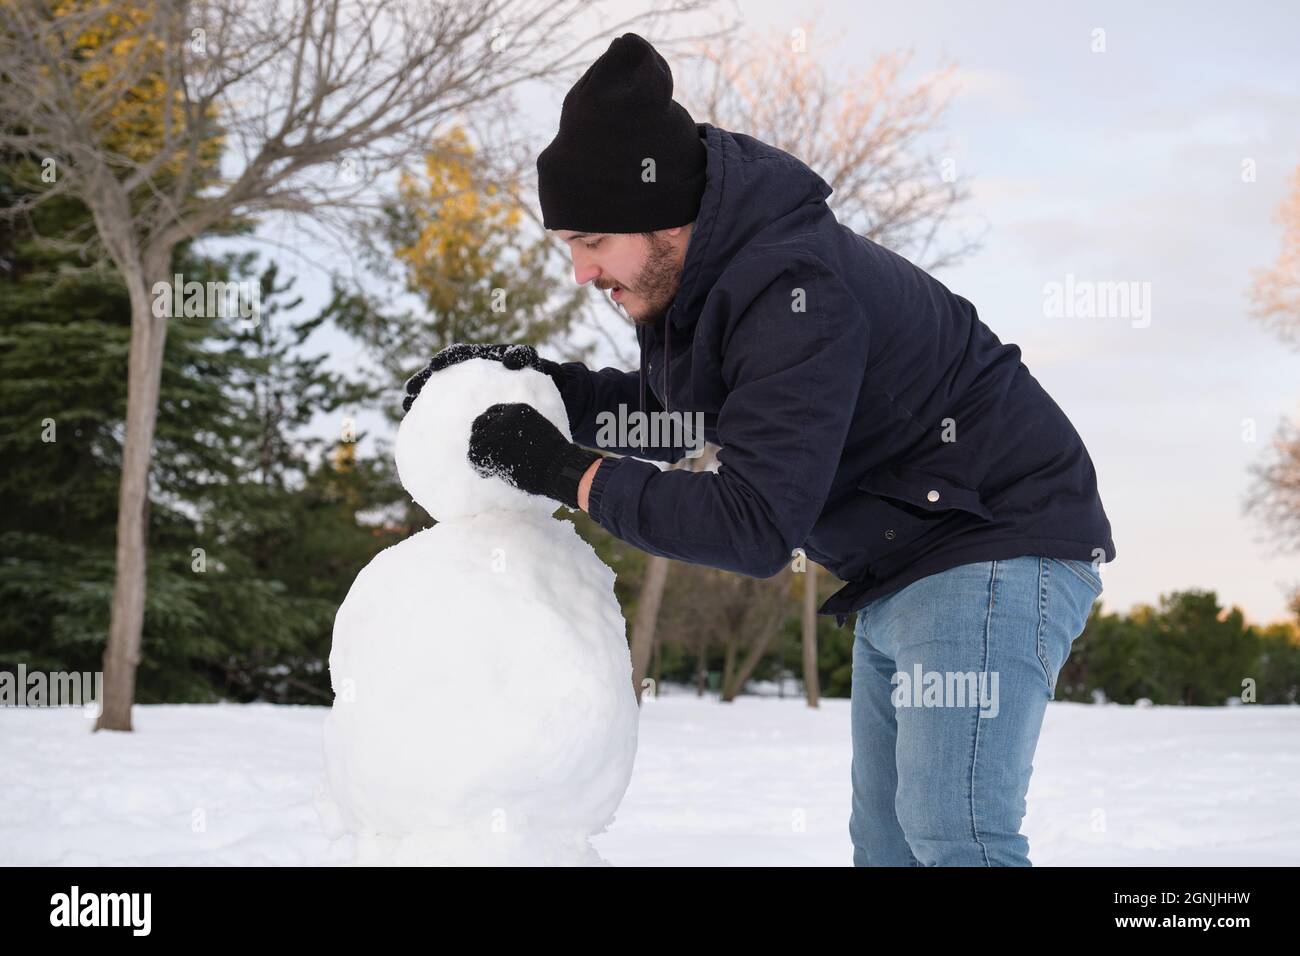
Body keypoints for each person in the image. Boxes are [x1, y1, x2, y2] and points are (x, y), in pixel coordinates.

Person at [404, 33, 1115, 867]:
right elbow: (672, 418)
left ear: (659, 215)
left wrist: (565, 471)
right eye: (570, 248)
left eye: (592, 243)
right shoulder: (709, 289)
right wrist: (542, 386)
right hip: (904, 562)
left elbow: (754, 525)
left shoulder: (794, 292)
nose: (581, 274)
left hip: (991, 540)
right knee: (888, 847)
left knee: (953, 834)